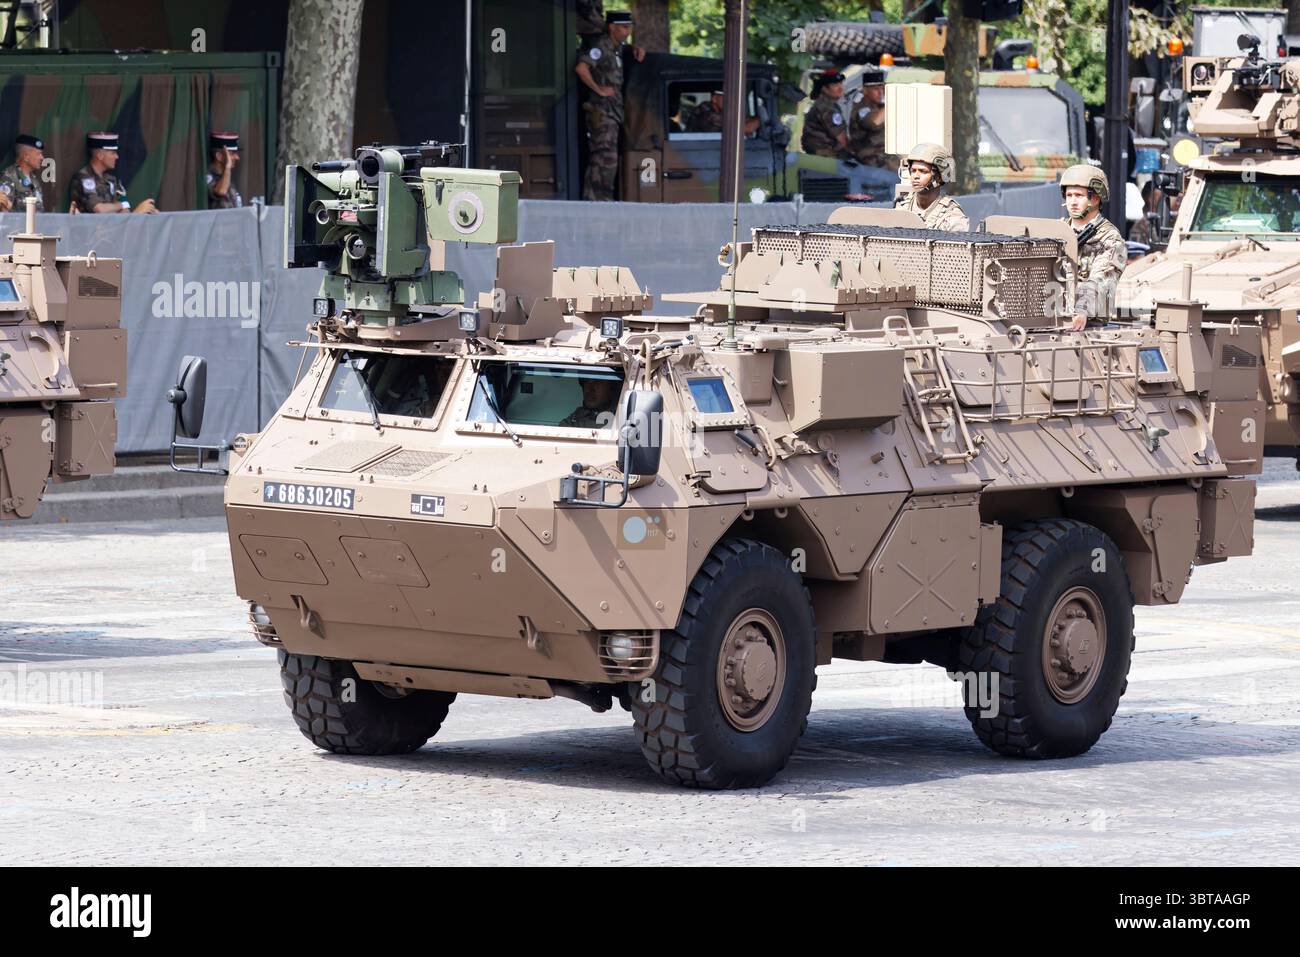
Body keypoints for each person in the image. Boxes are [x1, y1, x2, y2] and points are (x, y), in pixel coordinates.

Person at [574, 10, 643, 201]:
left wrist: (634, 48)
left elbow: (623, 50)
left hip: (613, 112)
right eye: (624, 27)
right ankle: (595, 200)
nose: (627, 31)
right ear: (612, 27)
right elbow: (581, 68)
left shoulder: (617, 47)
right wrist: (599, 89)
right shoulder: (601, 47)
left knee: (607, 159)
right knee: (603, 159)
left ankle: (601, 199)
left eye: (629, 28)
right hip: (602, 111)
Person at [1059, 164, 1126, 331]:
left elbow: (1101, 280)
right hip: (1052, 317)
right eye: (1069, 195)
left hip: (1088, 325)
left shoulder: (1109, 238)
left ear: (1095, 198)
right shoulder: (1058, 230)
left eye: (1079, 196)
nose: (1072, 202)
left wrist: (1082, 310)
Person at [69, 132, 157, 214]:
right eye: (113, 153)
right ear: (100, 155)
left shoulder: (111, 179)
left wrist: (138, 212)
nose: (117, 157)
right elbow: (99, 209)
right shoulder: (83, 178)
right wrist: (122, 205)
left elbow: (125, 211)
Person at [896, 142, 969, 231]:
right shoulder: (902, 207)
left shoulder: (952, 216)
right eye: (913, 171)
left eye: (923, 171)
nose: (915, 176)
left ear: (938, 177)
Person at [846, 69, 892, 172]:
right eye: (876, 89)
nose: (880, 92)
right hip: (870, 159)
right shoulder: (861, 109)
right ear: (865, 91)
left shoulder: (879, 107)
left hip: (884, 156)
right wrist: (893, 100)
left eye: (882, 89)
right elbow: (874, 122)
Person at [801, 69, 848, 158]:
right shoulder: (827, 108)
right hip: (827, 157)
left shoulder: (826, 104)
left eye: (841, 83)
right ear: (824, 88)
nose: (840, 88)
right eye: (835, 85)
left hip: (821, 156)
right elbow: (842, 140)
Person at [0, 134, 46, 213]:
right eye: (38, 154)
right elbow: (4, 212)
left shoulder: (33, 178)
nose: (42, 158)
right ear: (26, 157)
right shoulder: (9, 177)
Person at [682, 90, 758, 134]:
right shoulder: (705, 110)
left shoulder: (720, 112)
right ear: (714, 98)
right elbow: (748, 128)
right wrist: (761, 119)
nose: (730, 100)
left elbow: (741, 120)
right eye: (725, 97)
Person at [206, 131, 243, 209]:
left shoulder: (226, 177)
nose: (237, 157)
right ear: (219, 156)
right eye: (232, 153)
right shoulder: (208, 176)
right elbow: (221, 191)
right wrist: (228, 166)